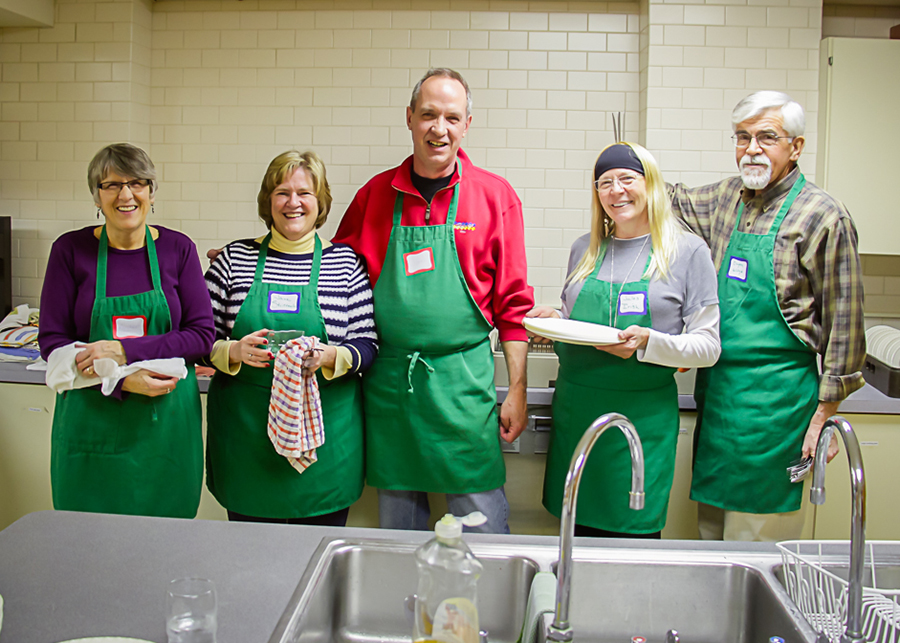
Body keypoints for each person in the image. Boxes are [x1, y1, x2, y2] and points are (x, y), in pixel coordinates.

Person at [333, 68, 534, 534]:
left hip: (463, 388)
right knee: (399, 532)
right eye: (428, 115)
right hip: (391, 390)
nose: (438, 129)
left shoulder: (495, 197)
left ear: (467, 125)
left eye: (451, 117)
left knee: (483, 531)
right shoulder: (373, 195)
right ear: (409, 118)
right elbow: (334, 276)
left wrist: (518, 389)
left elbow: (513, 307)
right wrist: (261, 256)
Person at [668, 91, 866, 541]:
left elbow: (846, 327)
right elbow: (667, 199)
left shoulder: (823, 216)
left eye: (767, 137)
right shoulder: (726, 199)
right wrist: (625, 171)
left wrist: (824, 415)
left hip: (779, 409)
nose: (752, 149)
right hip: (720, 404)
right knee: (712, 540)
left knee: (758, 550)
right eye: (742, 137)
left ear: (796, 147)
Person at [528, 142, 721, 538]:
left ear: (650, 183)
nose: (616, 190)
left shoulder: (687, 251)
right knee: (573, 536)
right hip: (577, 412)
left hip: (641, 420)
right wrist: (556, 320)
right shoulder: (585, 249)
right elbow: (578, 321)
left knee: (632, 538)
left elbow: (708, 346)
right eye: (605, 183)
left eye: (627, 179)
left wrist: (650, 342)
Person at [38, 143, 215, 517]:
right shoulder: (70, 250)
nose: (125, 195)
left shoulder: (178, 249)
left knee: (165, 539)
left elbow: (201, 336)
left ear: (151, 191)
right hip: (92, 423)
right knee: (89, 541)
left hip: (166, 434)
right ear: (97, 195)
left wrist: (123, 352)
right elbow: (52, 342)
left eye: (137, 183)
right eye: (112, 185)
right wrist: (118, 380)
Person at [204, 150, 377, 526]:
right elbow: (198, 337)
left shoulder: (345, 265)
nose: (292, 202)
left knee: (319, 551)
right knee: (251, 554)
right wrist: (233, 351)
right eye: (282, 192)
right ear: (268, 201)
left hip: (326, 446)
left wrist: (330, 357)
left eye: (304, 193)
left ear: (321, 202)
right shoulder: (233, 260)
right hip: (246, 442)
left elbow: (368, 343)